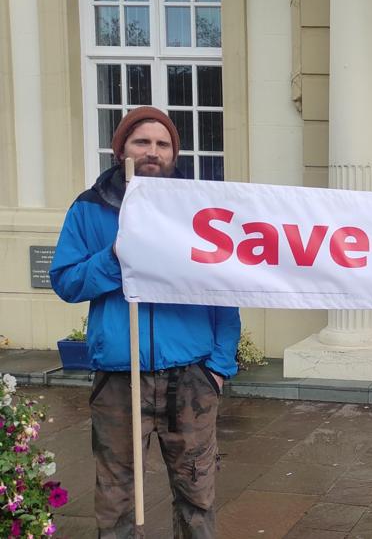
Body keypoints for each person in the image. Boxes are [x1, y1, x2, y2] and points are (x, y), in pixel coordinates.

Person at [50, 106, 240, 538]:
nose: (153, 152)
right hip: (120, 378)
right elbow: (66, 281)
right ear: (121, 150)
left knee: (197, 494)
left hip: (190, 378)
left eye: (163, 143)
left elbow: (226, 289)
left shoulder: (199, 211)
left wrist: (218, 369)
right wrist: (115, 256)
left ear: (174, 152)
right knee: (117, 495)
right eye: (142, 142)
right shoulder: (90, 208)